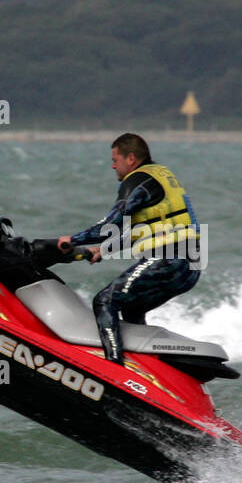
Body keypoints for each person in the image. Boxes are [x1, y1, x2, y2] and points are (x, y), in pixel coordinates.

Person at [56, 133, 201, 364]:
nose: (113, 165)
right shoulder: (161, 176)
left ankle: (115, 366)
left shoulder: (137, 181)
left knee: (105, 301)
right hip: (190, 264)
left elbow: (108, 226)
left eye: (116, 159)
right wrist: (103, 250)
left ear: (131, 158)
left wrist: (71, 240)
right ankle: (147, 367)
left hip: (170, 258)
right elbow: (146, 230)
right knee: (131, 307)